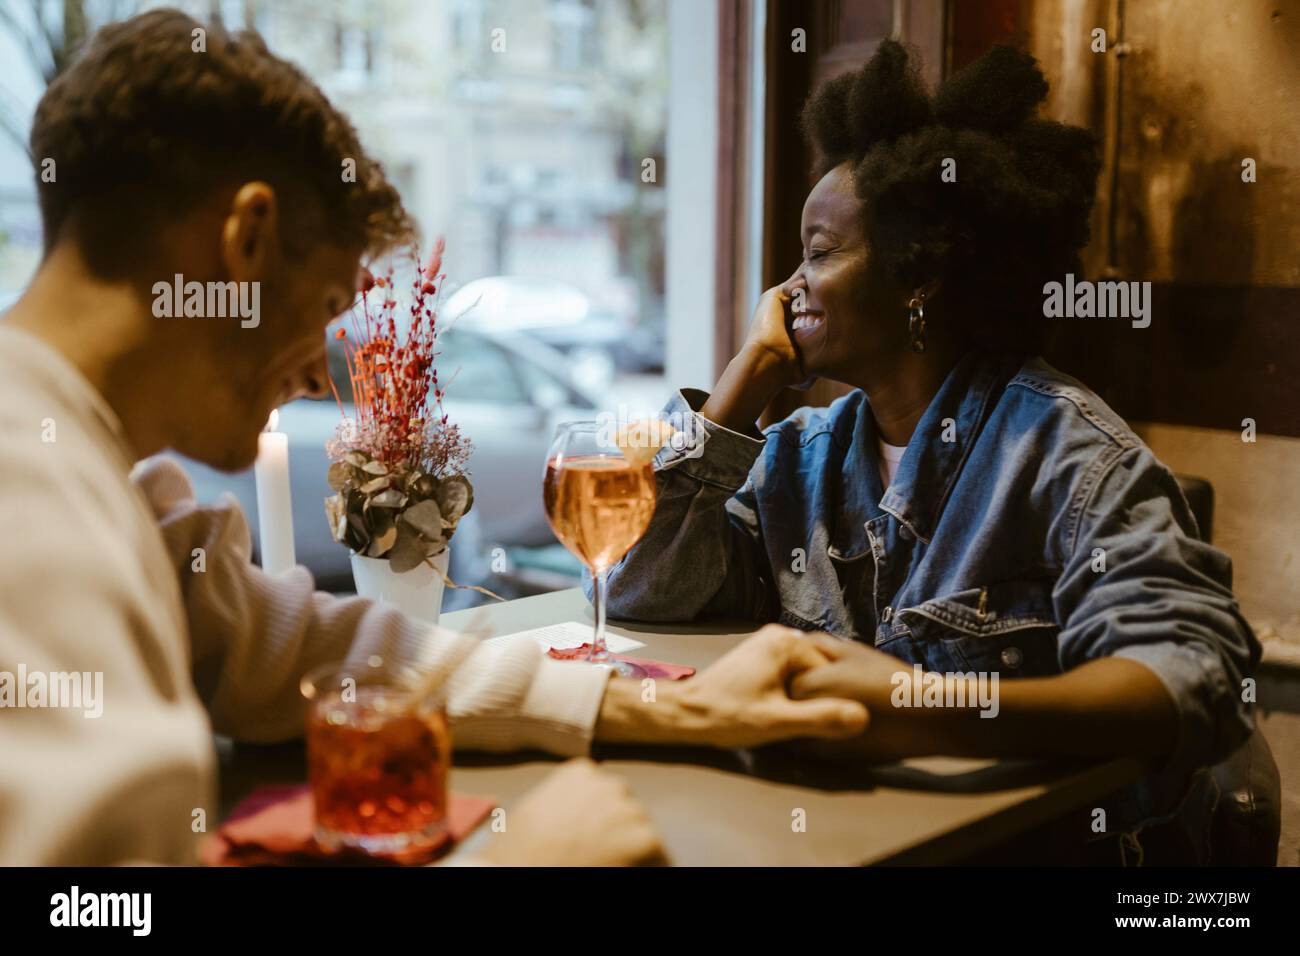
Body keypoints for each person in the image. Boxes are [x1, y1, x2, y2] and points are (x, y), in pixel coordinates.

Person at [0, 10, 868, 866]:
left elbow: (290, 645)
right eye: (326, 311)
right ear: (246, 238)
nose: (316, 380)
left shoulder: (92, 473)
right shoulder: (29, 491)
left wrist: (670, 709)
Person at [602, 41, 1259, 863]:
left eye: (818, 252)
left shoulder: (1068, 454)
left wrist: (917, 705)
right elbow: (642, 592)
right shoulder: (800, 454)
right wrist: (742, 384)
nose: (785, 291)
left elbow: (1195, 677)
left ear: (922, 279)